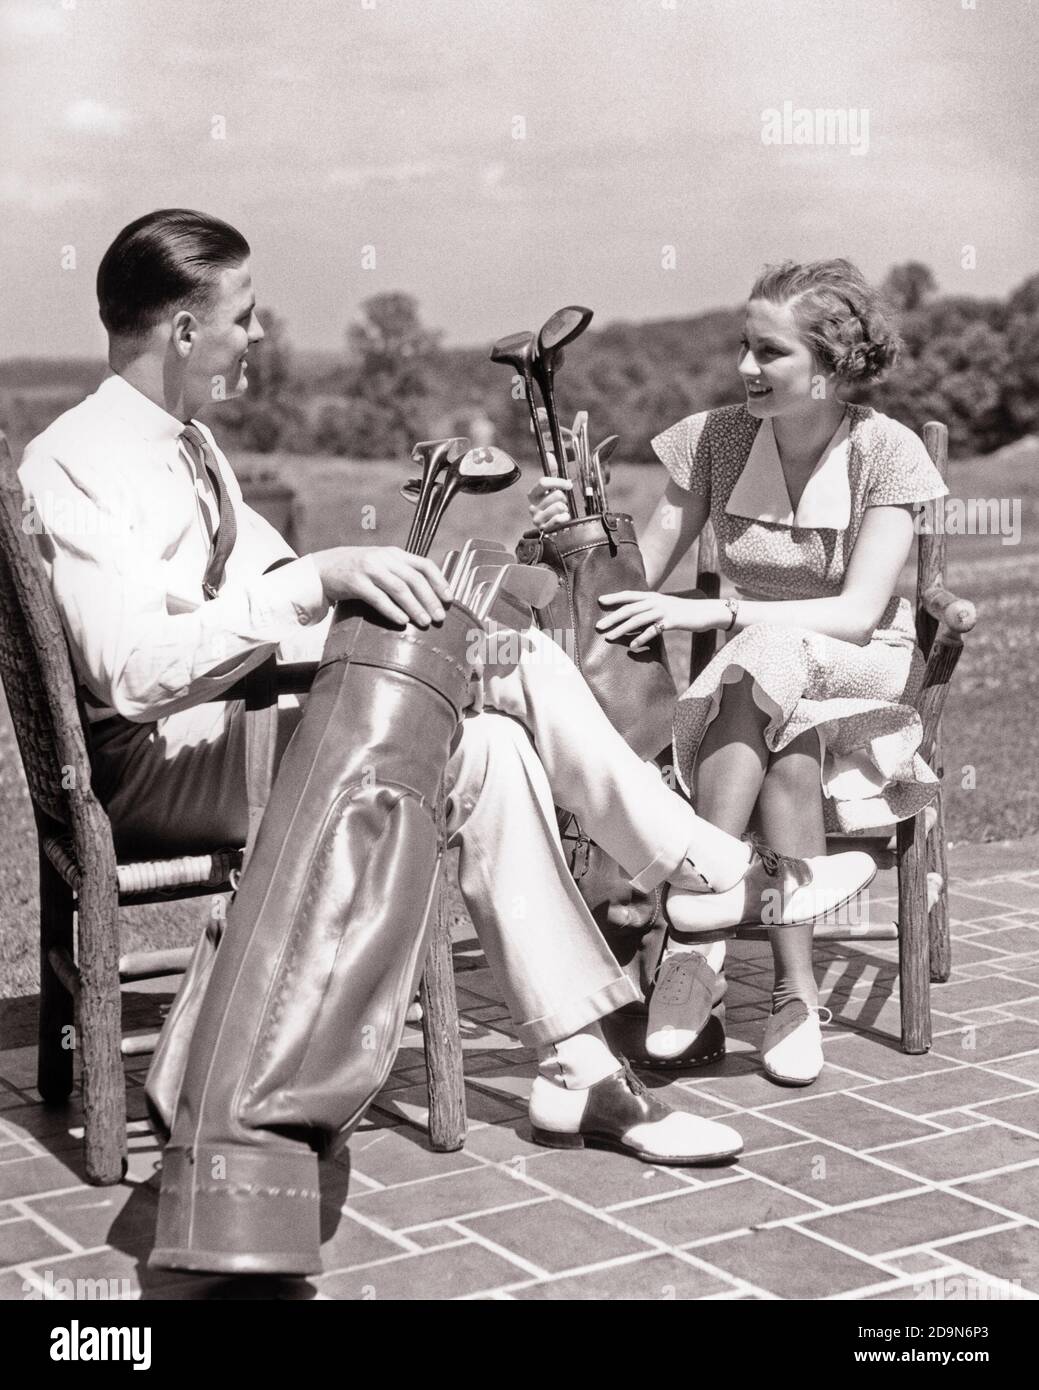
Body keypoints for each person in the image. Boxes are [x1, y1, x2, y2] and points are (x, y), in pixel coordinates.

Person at [18, 212, 876, 1255]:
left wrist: (388, 586)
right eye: (245, 316)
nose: (260, 336)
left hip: (251, 735)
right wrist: (317, 579)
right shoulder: (77, 461)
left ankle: (582, 1067)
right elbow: (132, 674)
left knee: (501, 739)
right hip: (174, 765)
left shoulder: (193, 448)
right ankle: (703, 871)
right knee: (511, 685)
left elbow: (283, 583)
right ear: (184, 330)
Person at [530, 258, 945, 1088]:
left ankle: (694, 944)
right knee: (784, 745)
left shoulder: (885, 452)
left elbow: (859, 612)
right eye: (742, 347)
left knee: (765, 659)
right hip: (756, 695)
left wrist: (716, 612)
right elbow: (636, 571)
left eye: (769, 353)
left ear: (829, 369)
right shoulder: (714, 438)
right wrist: (569, 532)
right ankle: (794, 1000)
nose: (744, 369)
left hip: (856, 670)